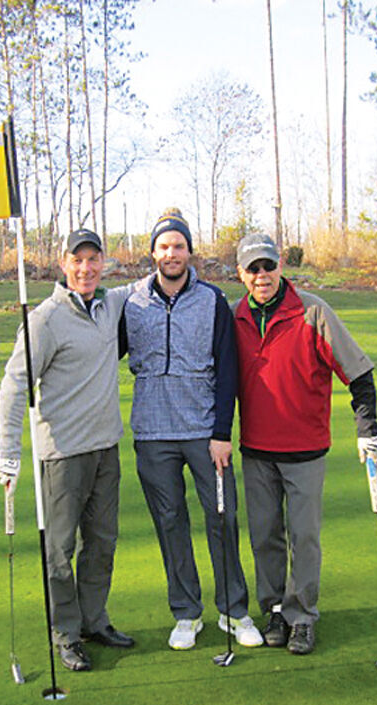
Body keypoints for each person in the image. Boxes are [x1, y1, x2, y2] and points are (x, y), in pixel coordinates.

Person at [232, 232, 377, 655]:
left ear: (280, 266)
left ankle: (302, 616)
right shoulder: (234, 317)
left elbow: (358, 372)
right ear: (241, 274)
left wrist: (367, 427)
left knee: (304, 537)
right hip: (256, 449)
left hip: (305, 450)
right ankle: (274, 610)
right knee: (265, 536)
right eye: (253, 269)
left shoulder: (312, 312)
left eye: (268, 266)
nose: (262, 275)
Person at [120, 209, 263, 650]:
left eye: (178, 246)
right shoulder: (131, 302)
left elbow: (228, 368)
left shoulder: (212, 300)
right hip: (152, 433)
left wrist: (222, 432)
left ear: (189, 252)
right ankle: (186, 612)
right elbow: (100, 349)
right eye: (164, 247)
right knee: (170, 523)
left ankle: (234, 610)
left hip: (204, 432)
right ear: (153, 253)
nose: (172, 253)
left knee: (223, 517)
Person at [0, 228, 134, 672]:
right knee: (59, 552)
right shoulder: (45, 319)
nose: (86, 268)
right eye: (78, 260)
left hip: (106, 448)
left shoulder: (111, 305)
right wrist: (8, 451)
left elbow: (153, 283)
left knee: (102, 543)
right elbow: (14, 385)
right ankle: (67, 634)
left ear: (103, 263)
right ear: (63, 264)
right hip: (63, 455)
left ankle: (94, 620)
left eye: (93, 259)